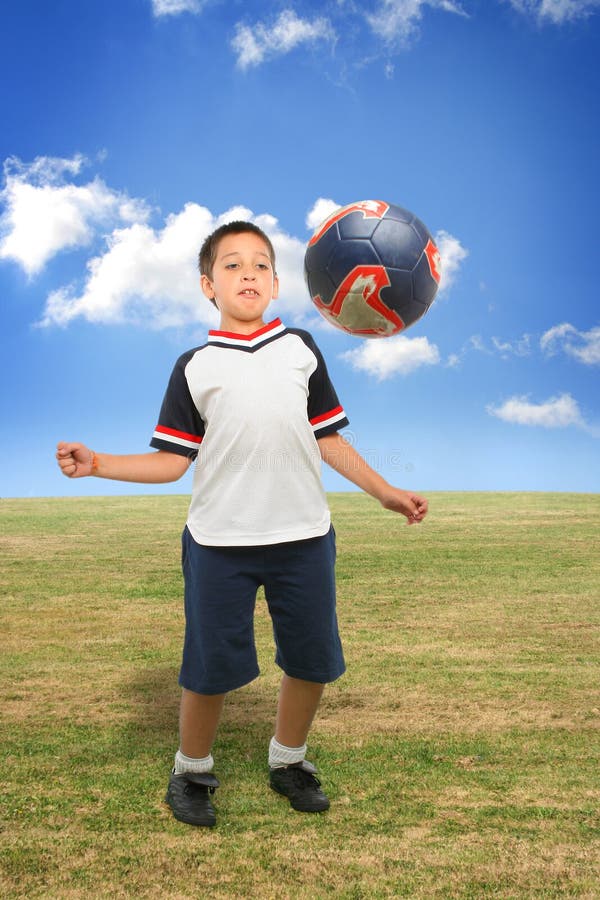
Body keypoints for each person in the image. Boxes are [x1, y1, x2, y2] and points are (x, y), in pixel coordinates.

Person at [56, 220, 428, 828]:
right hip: (219, 543)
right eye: (231, 265)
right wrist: (98, 463)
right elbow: (171, 462)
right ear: (209, 285)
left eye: (260, 265)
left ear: (277, 283)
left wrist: (385, 491)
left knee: (310, 659)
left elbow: (328, 439)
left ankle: (289, 760)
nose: (248, 273)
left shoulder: (301, 349)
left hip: (304, 538)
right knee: (210, 668)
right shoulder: (194, 366)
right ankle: (191, 770)